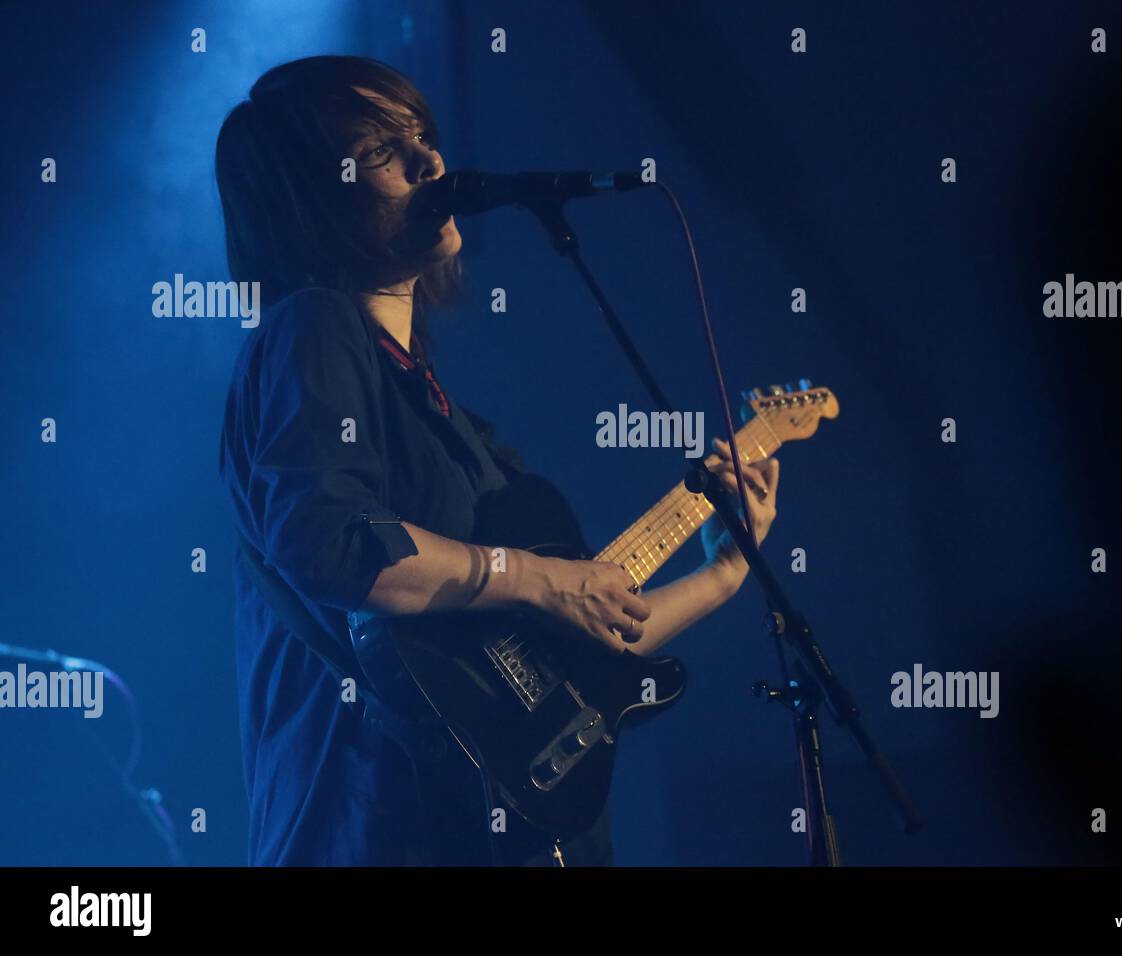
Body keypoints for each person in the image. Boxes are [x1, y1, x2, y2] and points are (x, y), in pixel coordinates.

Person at [215, 55, 779, 866]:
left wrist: (724, 571)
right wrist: (540, 577)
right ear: (311, 195)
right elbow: (326, 541)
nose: (429, 162)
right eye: (380, 151)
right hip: (376, 831)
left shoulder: (457, 428)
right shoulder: (312, 326)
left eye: (423, 136)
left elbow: (582, 648)